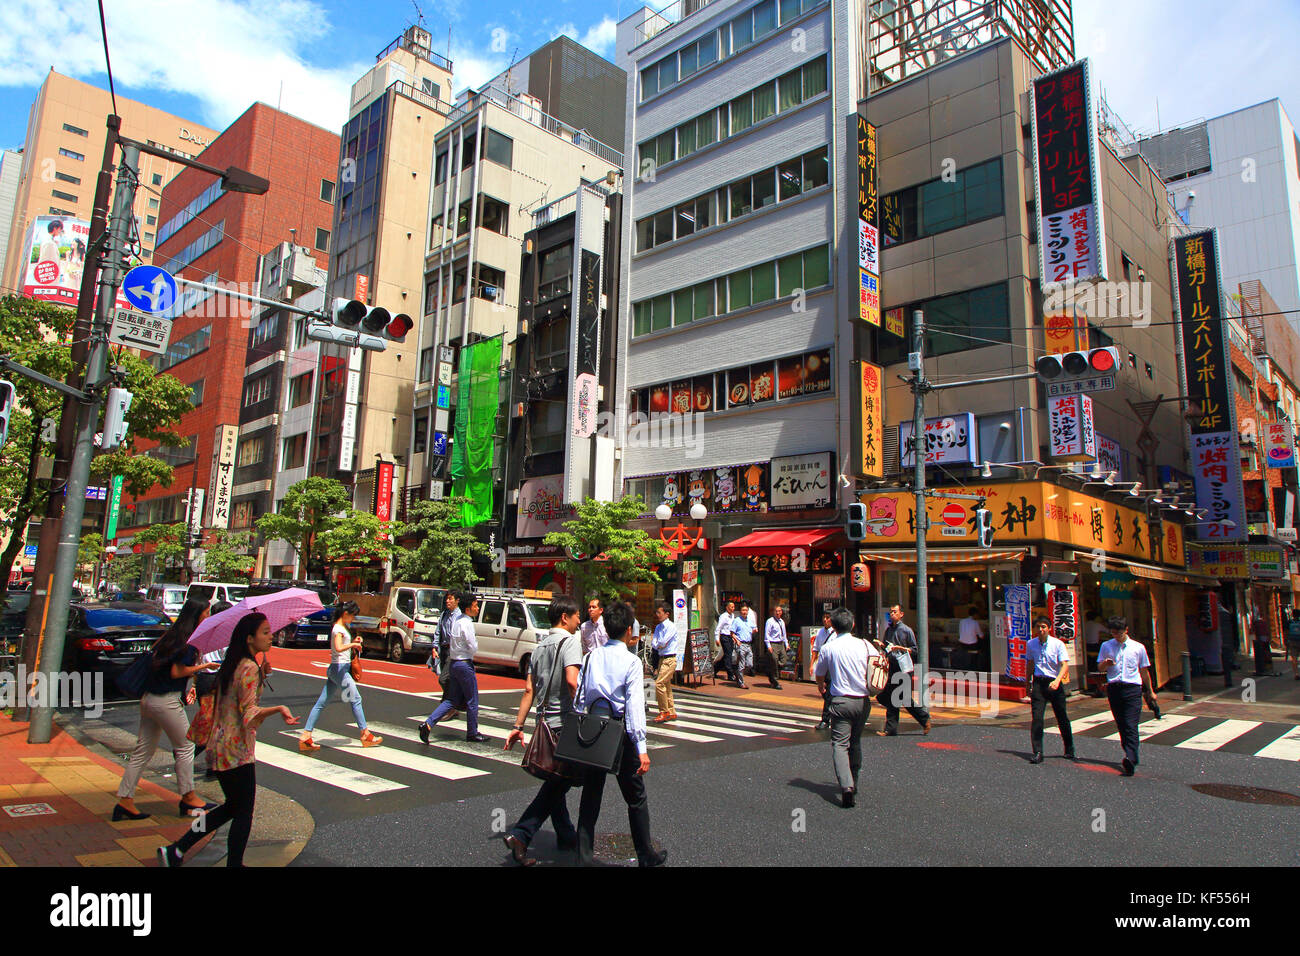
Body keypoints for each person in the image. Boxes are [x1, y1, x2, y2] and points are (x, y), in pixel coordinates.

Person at [157, 613, 299, 867]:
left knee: (231, 808)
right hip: (236, 750)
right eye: (265, 632)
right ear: (249, 638)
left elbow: (236, 701)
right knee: (243, 812)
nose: (271, 636)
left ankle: (177, 849)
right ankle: (232, 863)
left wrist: (261, 676)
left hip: (218, 746)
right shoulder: (248, 667)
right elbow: (248, 713)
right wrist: (278, 709)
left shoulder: (234, 663)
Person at [573, 601, 667, 867]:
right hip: (621, 732)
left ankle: (583, 857)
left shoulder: (590, 657)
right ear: (628, 631)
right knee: (635, 796)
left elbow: (580, 697)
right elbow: (635, 704)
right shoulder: (631, 661)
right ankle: (646, 854)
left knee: (591, 795)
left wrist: (581, 730)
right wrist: (642, 747)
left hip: (593, 729)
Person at [114, 597, 220, 821]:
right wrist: (204, 666)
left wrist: (191, 679)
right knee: (185, 747)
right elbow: (175, 672)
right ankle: (188, 797)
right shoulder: (188, 642)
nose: (208, 616)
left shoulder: (171, 636)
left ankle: (125, 799)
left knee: (142, 751)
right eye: (207, 612)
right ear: (198, 615)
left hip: (148, 698)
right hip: (166, 701)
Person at [502, 595, 584, 865]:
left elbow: (529, 689)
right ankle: (522, 833)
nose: (579, 620)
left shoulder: (538, 647)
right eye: (576, 616)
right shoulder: (571, 642)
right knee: (561, 782)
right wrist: (585, 711)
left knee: (555, 780)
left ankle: (566, 836)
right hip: (562, 725)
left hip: (543, 724)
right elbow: (572, 682)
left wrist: (517, 726)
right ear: (565, 618)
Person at [299, 601, 382, 751]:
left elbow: (341, 647)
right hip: (339, 670)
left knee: (321, 703)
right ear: (345, 614)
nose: (353, 619)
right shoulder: (338, 629)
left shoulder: (342, 628)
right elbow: (338, 647)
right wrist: (353, 645)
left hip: (336, 669)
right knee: (356, 699)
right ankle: (365, 734)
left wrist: (354, 641)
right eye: (352, 616)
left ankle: (306, 735)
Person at [814, 608, 876, 808]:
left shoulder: (829, 647)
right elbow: (877, 664)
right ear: (853, 625)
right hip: (863, 700)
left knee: (840, 744)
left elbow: (820, 673)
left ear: (832, 625)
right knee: (855, 741)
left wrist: (821, 686)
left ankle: (846, 786)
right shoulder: (865, 645)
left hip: (840, 700)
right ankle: (854, 782)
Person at [420, 591, 490, 743]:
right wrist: (473, 650)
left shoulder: (457, 621)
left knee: (451, 699)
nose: (477, 608)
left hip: (454, 663)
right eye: (475, 605)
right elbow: (472, 646)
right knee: (472, 699)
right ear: (468, 608)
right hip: (465, 664)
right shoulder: (467, 623)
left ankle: (428, 723)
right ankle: (472, 732)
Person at [1097, 616, 1155, 777]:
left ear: (1126, 630)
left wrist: (1150, 691)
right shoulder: (1106, 646)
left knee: (1131, 723)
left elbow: (1144, 670)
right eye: (1113, 633)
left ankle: (1131, 757)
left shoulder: (1138, 647)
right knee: (1121, 723)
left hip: (1133, 688)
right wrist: (1105, 664)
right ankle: (1130, 753)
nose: (1116, 635)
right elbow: (1100, 666)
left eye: (1119, 632)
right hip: (1114, 687)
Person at [189, 600, 234, 779]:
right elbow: (229, 659)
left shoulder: (204, 631)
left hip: (202, 680)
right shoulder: (226, 634)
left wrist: (193, 684)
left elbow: (196, 659)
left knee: (210, 720)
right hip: (217, 680)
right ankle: (193, 754)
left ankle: (211, 764)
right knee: (218, 724)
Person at [875, 605, 932, 736]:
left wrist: (901, 648)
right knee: (888, 696)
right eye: (890, 612)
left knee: (902, 698)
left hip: (904, 668)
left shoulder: (906, 630)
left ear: (901, 614)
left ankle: (923, 719)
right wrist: (882, 646)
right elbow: (887, 649)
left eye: (895, 612)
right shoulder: (889, 630)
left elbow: (915, 650)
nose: (892, 614)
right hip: (892, 667)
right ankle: (892, 728)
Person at [1026, 617, 1074, 764]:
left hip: (1054, 682)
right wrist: (1028, 682)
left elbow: (1064, 665)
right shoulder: (1031, 644)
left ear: (1049, 628)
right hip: (1039, 683)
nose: (1040, 630)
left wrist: (1058, 680)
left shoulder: (1057, 644)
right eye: (1038, 627)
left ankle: (1069, 747)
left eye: (1043, 627)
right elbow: (1030, 663)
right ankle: (1038, 751)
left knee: (1061, 717)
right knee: (1037, 718)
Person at [650, 601, 678, 723]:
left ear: (667, 614)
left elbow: (662, 642)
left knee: (659, 684)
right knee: (666, 685)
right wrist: (658, 644)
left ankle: (663, 711)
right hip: (662, 658)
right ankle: (671, 711)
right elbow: (655, 644)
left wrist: (659, 644)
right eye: (657, 612)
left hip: (670, 658)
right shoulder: (658, 627)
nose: (658, 615)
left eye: (659, 612)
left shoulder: (671, 626)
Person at [813, 611, 836, 730]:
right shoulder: (821, 632)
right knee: (826, 692)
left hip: (834, 666)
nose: (825, 620)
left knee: (829, 693)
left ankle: (825, 719)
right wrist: (812, 664)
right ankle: (830, 715)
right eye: (824, 617)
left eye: (828, 618)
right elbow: (816, 648)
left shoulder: (836, 633)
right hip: (824, 665)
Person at [764, 605, 789, 689]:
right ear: (773, 612)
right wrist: (768, 645)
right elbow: (767, 634)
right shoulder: (770, 621)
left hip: (781, 643)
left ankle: (770, 670)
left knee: (784, 660)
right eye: (776, 611)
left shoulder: (782, 621)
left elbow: (784, 634)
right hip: (773, 643)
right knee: (774, 659)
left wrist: (787, 644)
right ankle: (775, 681)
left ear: (781, 612)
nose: (778, 613)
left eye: (779, 611)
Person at [731, 601, 755, 689]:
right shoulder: (737, 620)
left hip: (749, 644)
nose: (745, 612)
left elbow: (753, 629)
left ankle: (737, 674)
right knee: (741, 665)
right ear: (740, 611)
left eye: (746, 610)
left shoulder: (749, 621)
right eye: (743, 610)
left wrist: (754, 630)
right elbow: (732, 633)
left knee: (749, 664)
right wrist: (736, 640)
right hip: (741, 644)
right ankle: (741, 682)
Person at [714, 600, 737, 682]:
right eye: (731, 607)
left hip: (730, 637)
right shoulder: (723, 616)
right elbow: (718, 628)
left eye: (733, 607)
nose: (733, 608)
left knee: (727, 655)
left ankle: (715, 669)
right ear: (727, 608)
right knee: (728, 655)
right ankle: (730, 674)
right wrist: (717, 638)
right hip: (724, 637)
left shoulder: (733, 616)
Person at [1285, 608, 1300, 681]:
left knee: (1294, 658)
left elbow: (1286, 632)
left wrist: (1286, 640)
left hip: (1292, 641)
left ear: (1292, 615)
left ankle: (1296, 674)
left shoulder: (1289, 622)